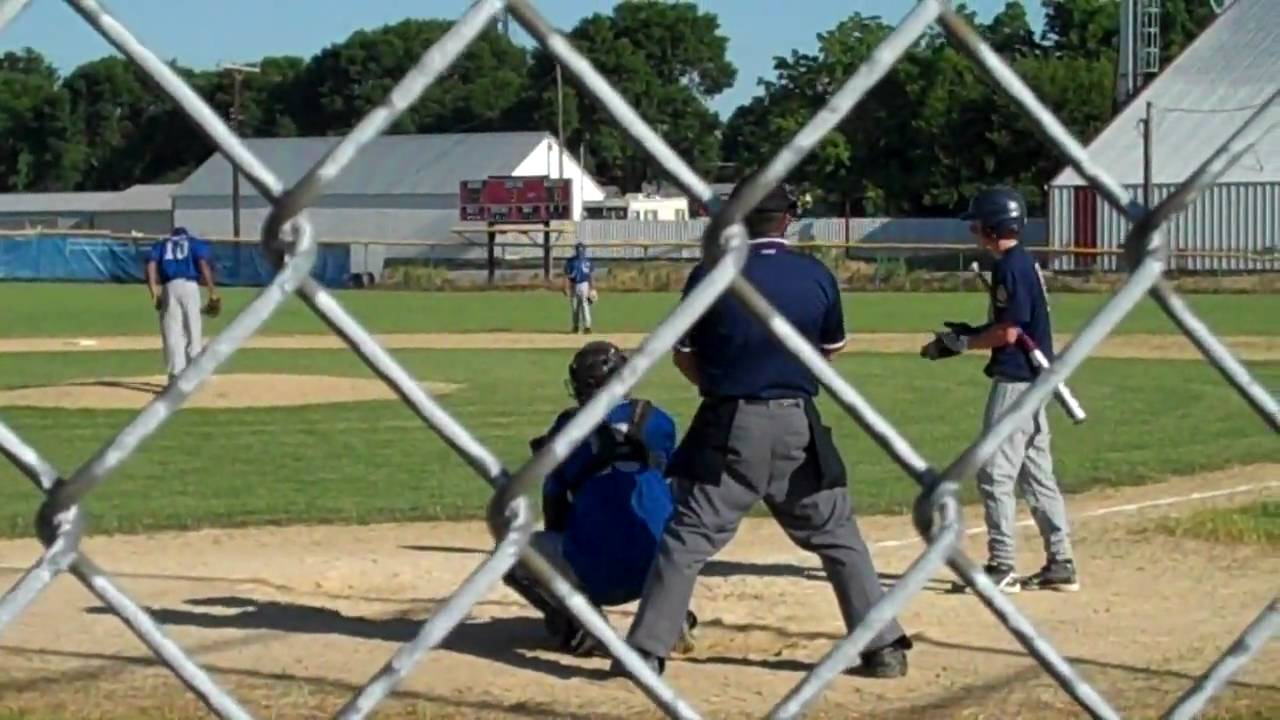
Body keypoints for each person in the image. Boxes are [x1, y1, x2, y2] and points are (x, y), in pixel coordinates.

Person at [617, 182, 912, 679]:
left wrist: (718, 381)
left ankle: (648, 651)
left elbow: (683, 353)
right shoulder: (816, 274)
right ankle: (883, 648)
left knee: (689, 537)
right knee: (838, 534)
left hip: (731, 420)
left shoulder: (713, 273)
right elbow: (829, 350)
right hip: (799, 422)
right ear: (788, 220)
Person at [919, 186, 1079, 594]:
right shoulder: (1021, 263)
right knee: (1036, 472)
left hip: (1017, 382)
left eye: (977, 223)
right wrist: (969, 335)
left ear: (992, 226)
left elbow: (1008, 332)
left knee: (993, 472)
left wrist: (964, 344)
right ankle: (1060, 562)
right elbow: (1010, 327)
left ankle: (1002, 564)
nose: (973, 229)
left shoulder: (1010, 266)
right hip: (1034, 379)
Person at [503, 340, 698, 656]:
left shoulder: (568, 427)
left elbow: (554, 504)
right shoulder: (656, 419)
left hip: (597, 574)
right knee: (669, 520)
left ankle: (586, 627)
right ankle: (670, 617)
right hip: (662, 568)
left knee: (511, 553)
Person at [145, 227, 218, 383]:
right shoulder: (193, 243)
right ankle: (195, 374)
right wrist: (212, 292)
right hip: (190, 286)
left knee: (172, 332)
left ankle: (175, 376)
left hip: (169, 287)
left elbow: (151, 265)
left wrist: (154, 293)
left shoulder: (162, 244)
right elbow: (203, 264)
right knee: (193, 329)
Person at [563, 241, 595, 334]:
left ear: (584, 250)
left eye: (581, 249)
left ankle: (587, 327)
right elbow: (567, 275)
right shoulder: (571, 261)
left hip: (584, 284)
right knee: (575, 307)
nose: (580, 251)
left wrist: (592, 288)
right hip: (574, 284)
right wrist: (566, 287)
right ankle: (576, 327)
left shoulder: (587, 261)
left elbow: (590, 275)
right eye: (578, 249)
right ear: (576, 250)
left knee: (585, 305)